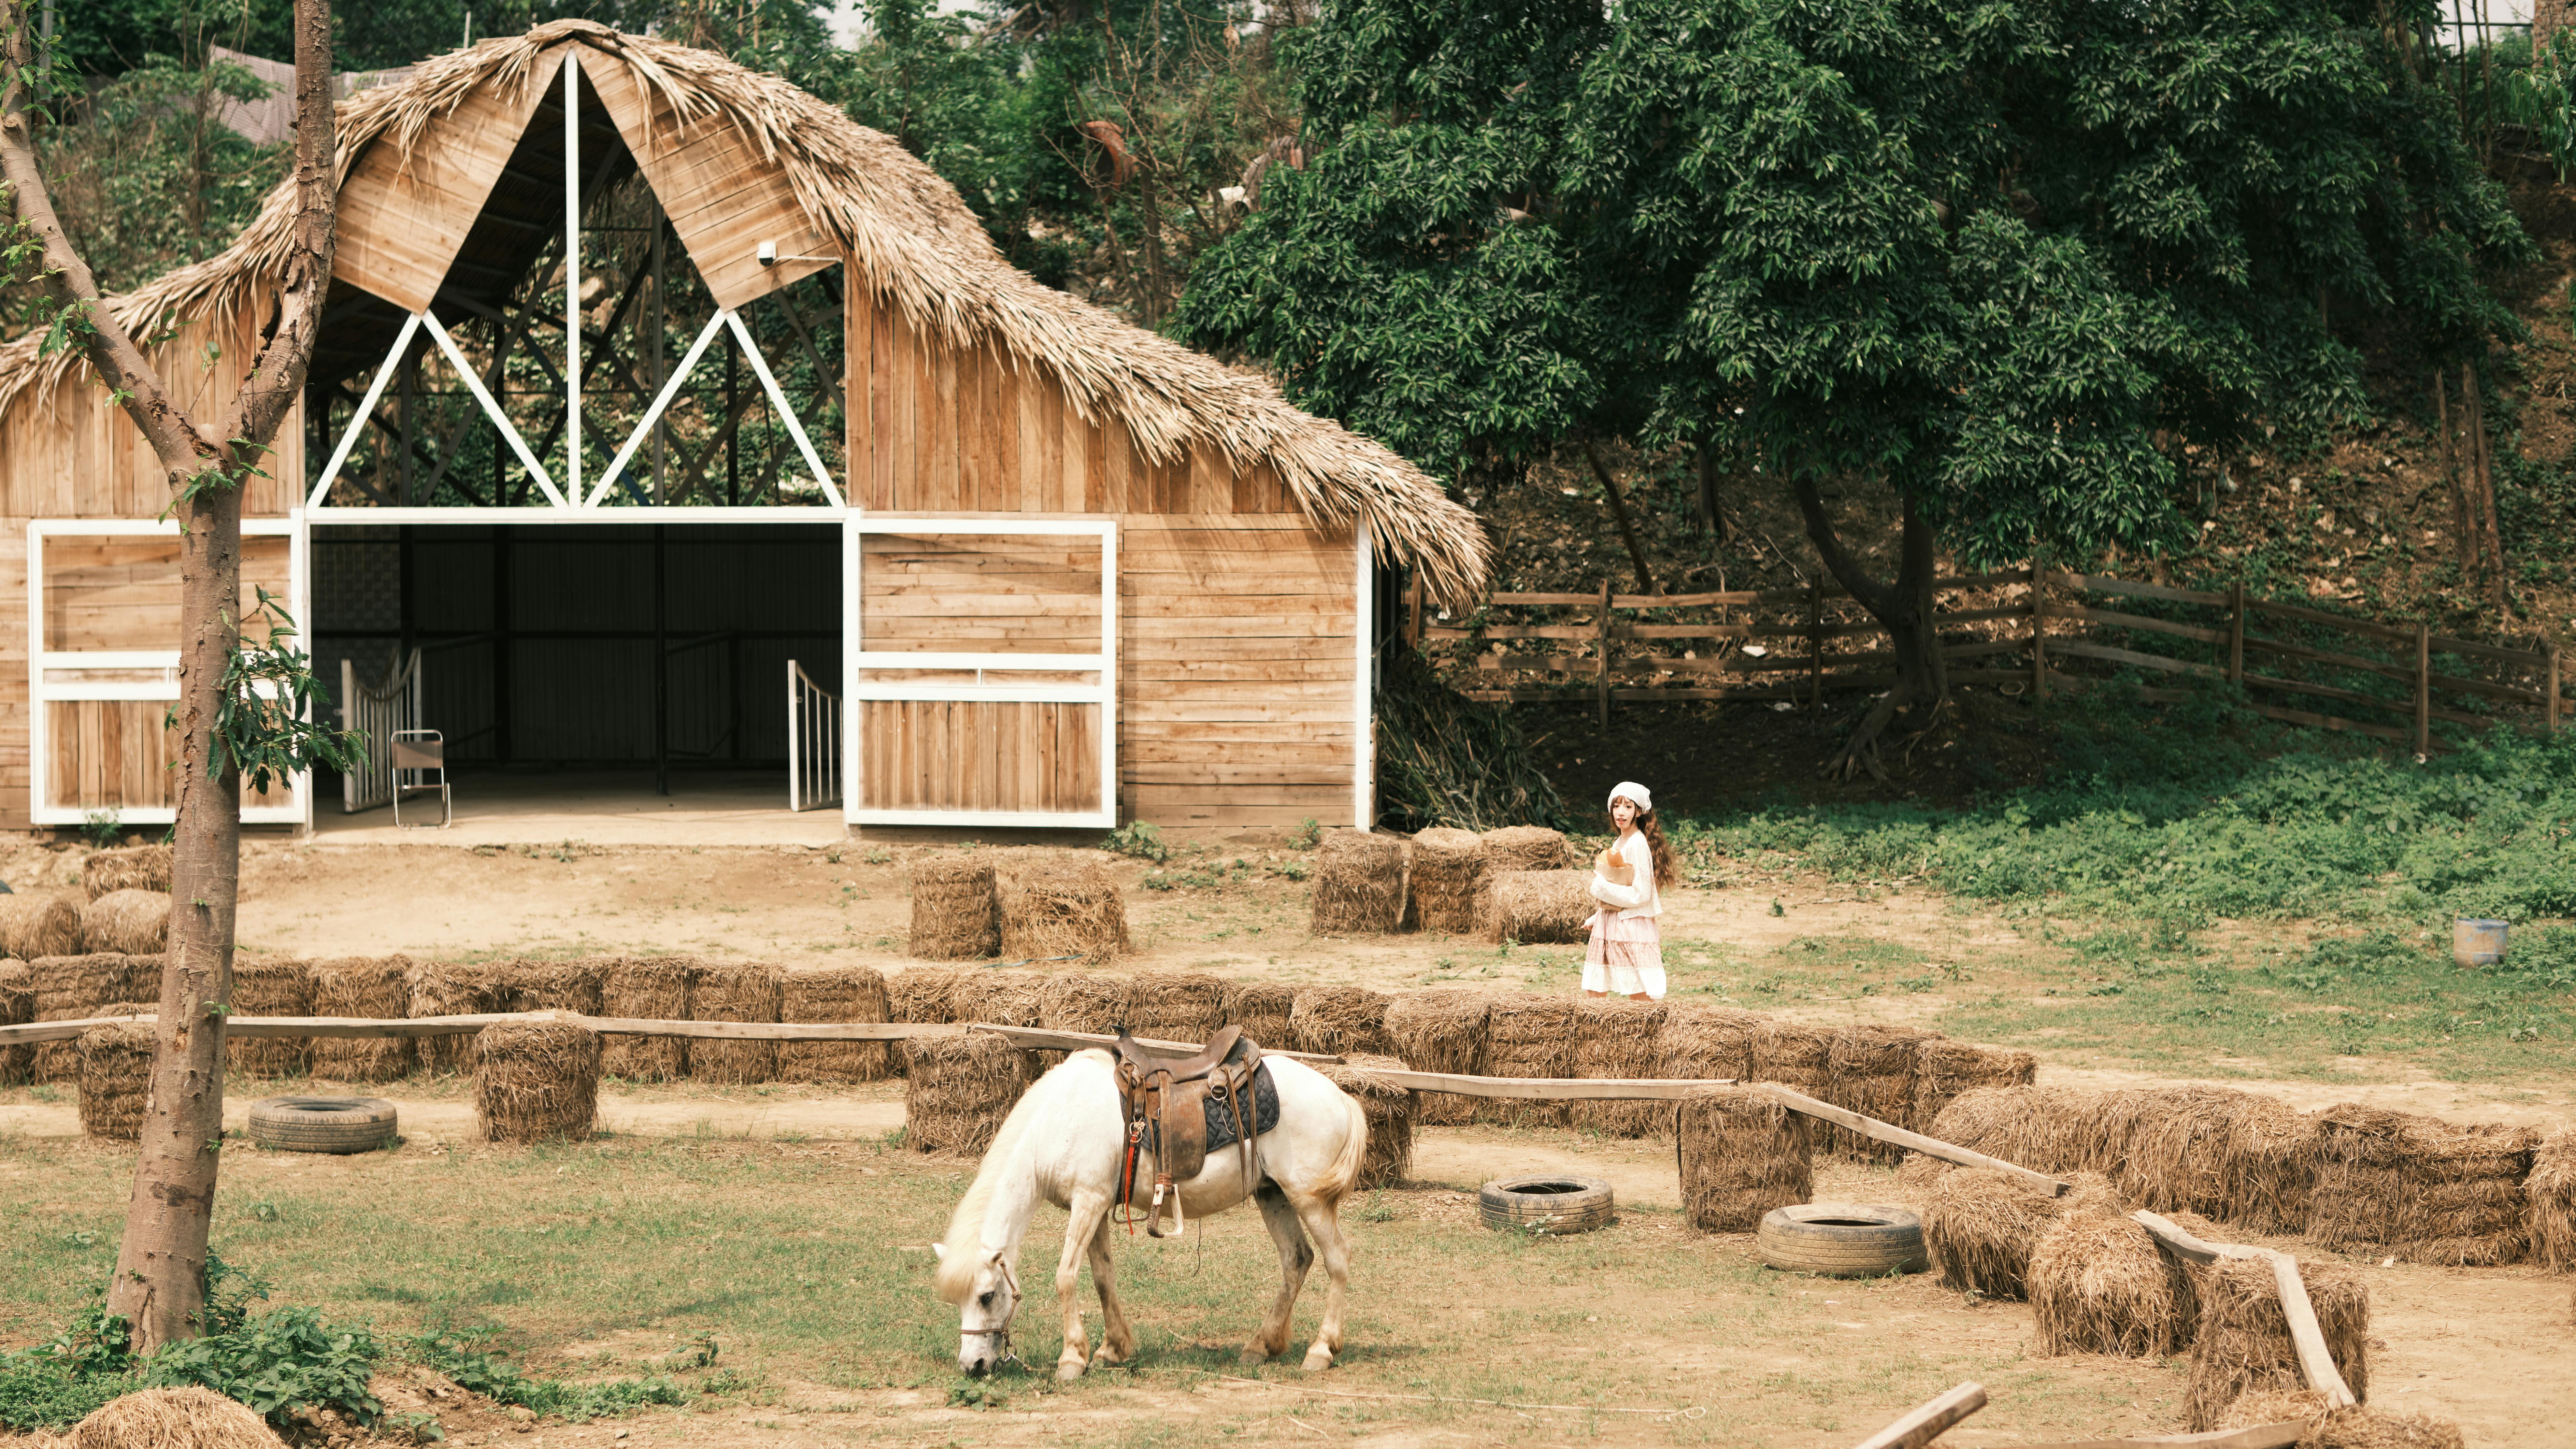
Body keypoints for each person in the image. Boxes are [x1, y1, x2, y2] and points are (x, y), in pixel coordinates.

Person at [1585, 781, 1676, 1001]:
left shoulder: (1637, 844)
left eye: (1627, 806)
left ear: (1638, 811)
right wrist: (1599, 915)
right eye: (1617, 806)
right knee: (1594, 990)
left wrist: (1601, 889)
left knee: (1639, 998)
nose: (1621, 813)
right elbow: (1622, 886)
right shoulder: (1620, 841)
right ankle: (1595, 1035)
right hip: (1612, 924)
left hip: (1631, 926)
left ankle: (1649, 1035)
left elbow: (1641, 894)